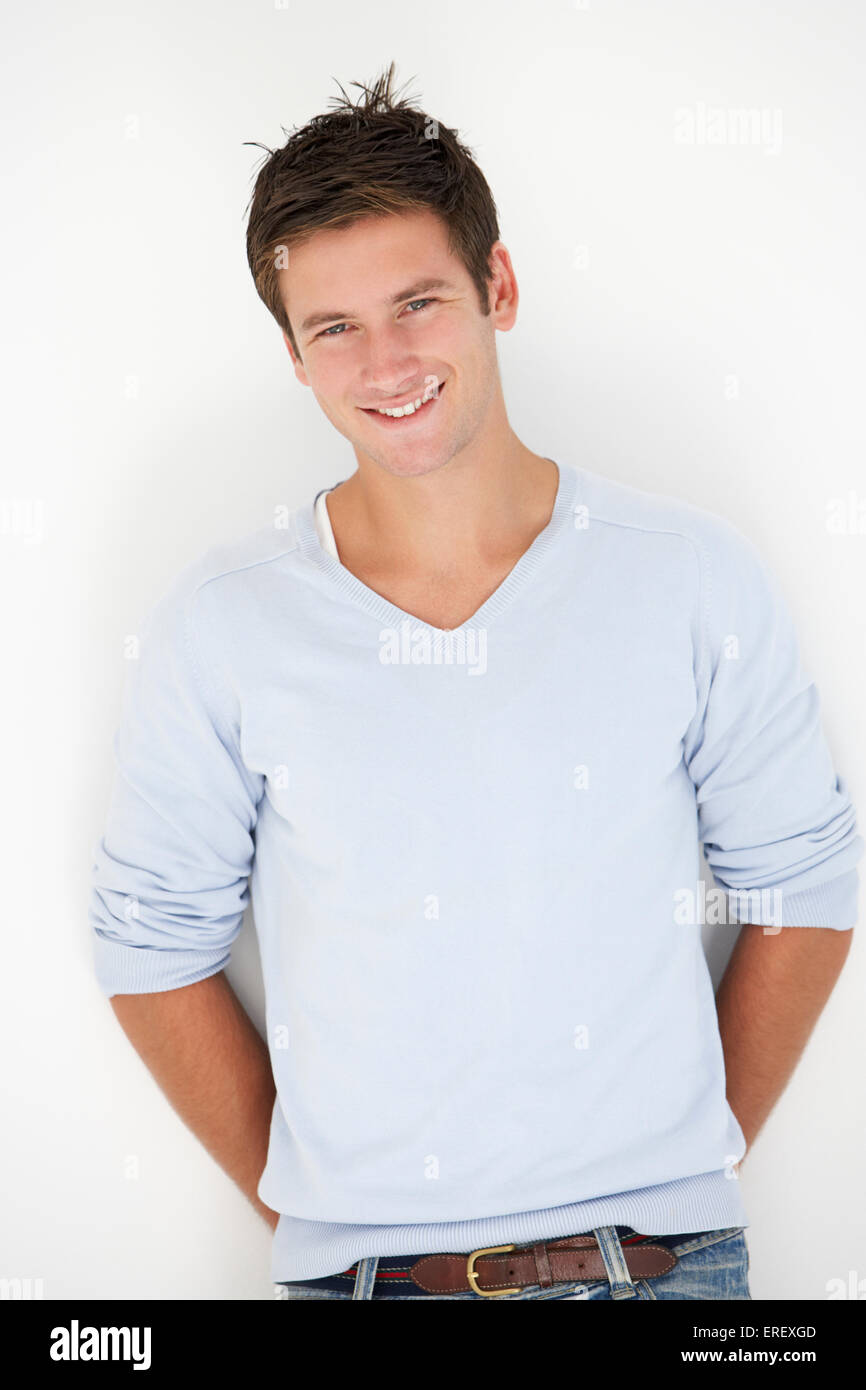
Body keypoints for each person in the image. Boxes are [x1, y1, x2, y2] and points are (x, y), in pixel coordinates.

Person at [88, 63, 862, 1301]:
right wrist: (319, 1211)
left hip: (667, 1276)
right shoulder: (222, 626)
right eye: (333, 326)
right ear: (291, 354)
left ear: (496, 288)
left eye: (417, 303)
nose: (384, 360)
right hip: (365, 1284)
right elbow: (148, 944)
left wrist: (671, 1182)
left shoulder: (688, 577)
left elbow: (804, 886)